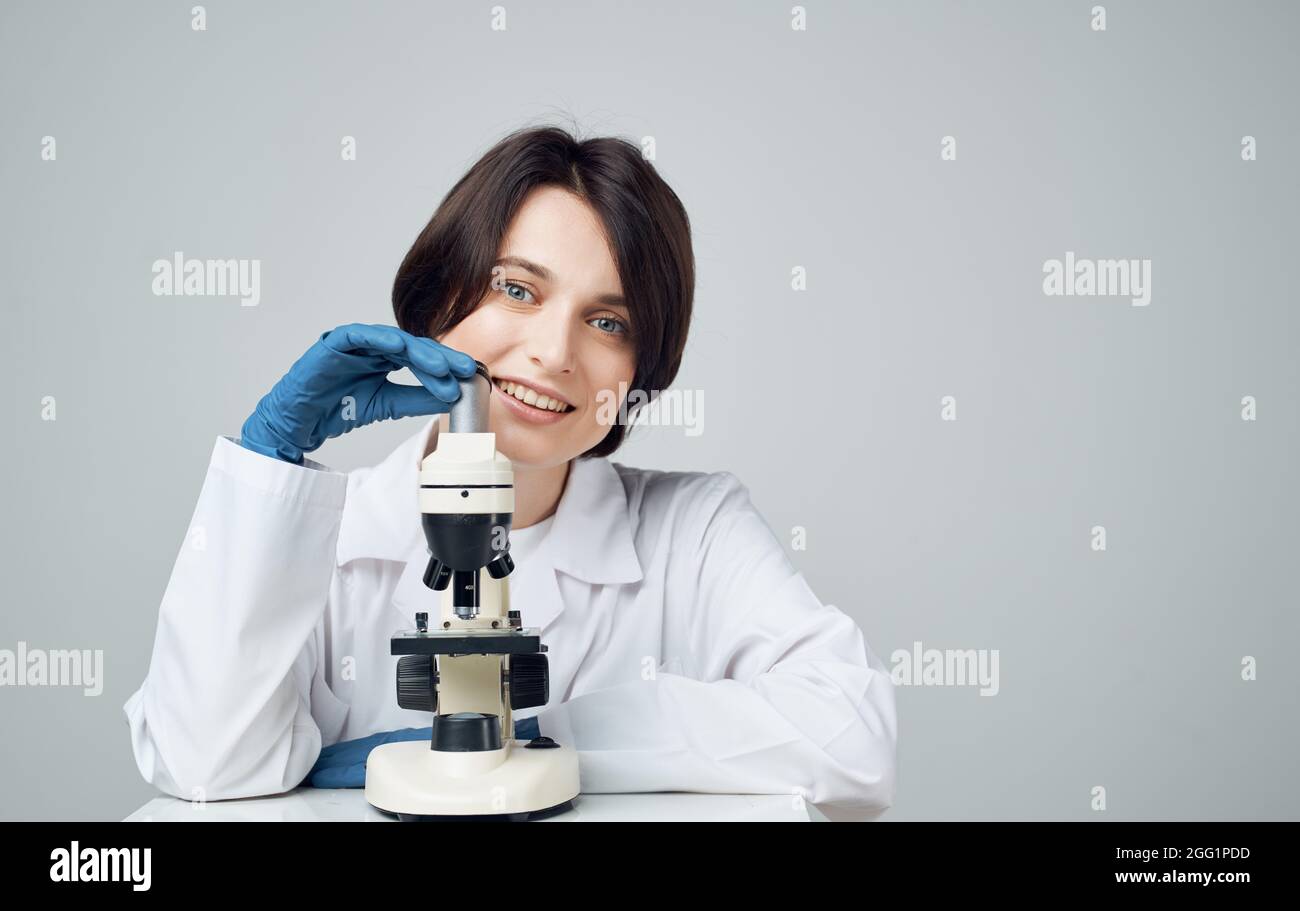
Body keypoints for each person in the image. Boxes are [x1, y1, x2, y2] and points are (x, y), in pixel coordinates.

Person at [123, 125, 897, 818]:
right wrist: (268, 465)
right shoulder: (320, 539)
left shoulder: (694, 532)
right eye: (517, 289)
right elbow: (204, 765)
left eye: (608, 322)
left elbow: (851, 736)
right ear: (438, 300)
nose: (556, 352)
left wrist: (535, 738)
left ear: (639, 370)